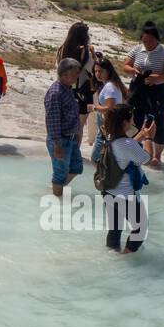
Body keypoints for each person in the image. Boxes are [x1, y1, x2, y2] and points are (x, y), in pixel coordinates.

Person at [98, 107, 153, 253]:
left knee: (115, 229)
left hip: (109, 191)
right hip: (126, 196)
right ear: (125, 122)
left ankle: (112, 256)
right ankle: (126, 257)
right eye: (131, 119)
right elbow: (147, 158)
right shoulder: (128, 144)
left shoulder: (110, 138)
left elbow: (125, 148)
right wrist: (148, 138)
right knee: (141, 229)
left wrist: (139, 137)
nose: (133, 121)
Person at [122, 21, 164, 167]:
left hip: (156, 91)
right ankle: (137, 152)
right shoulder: (136, 49)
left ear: (157, 39)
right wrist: (134, 70)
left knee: (158, 123)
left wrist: (157, 78)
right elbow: (125, 66)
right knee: (135, 120)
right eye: (144, 40)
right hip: (138, 89)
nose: (147, 43)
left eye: (150, 41)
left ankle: (157, 156)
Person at [45, 58, 84, 197]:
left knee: (77, 167)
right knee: (60, 174)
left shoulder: (67, 89)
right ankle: (56, 201)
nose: (77, 76)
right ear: (64, 74)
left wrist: (78, 132)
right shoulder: (55, 93)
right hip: (60, 140)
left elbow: (73, 113)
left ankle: (55, 189)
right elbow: (52, 121)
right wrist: (57, 145)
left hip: (71, 138)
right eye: (75, 73)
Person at [56, 22, 94, 142]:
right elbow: (92, 68)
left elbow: (57, 67)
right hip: (81, 90)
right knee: (79, 125)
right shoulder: (85, 51)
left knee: (62, 120)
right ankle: (74, 150)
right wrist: (93, 54)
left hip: (62, 88)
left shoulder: (61, 49)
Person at [89, 56, 126, 162]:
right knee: (103, 160)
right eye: (95, 71)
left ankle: (103, 177)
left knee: (95, 158)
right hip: (108, 127)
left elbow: (109, 107)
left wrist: (94, 107)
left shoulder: (110, 87)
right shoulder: (112, 84)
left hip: (108, 127)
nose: (97, 74)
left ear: (108, 71)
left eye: (100, 71)